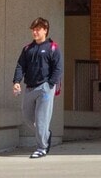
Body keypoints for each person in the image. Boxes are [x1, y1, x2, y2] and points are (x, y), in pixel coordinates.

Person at [10, 17, 62, 158]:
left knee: (41, 120)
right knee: (27, 117)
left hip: (45, 88)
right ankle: (45, 134)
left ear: (45, 30)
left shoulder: (53, 48)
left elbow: (58, 68)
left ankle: (41, 148)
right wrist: (16, 81)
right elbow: (20, 66)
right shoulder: (28, 49)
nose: (35, 32)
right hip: (29, 88)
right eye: (33, 29)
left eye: (38, 29)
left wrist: (50, 84)